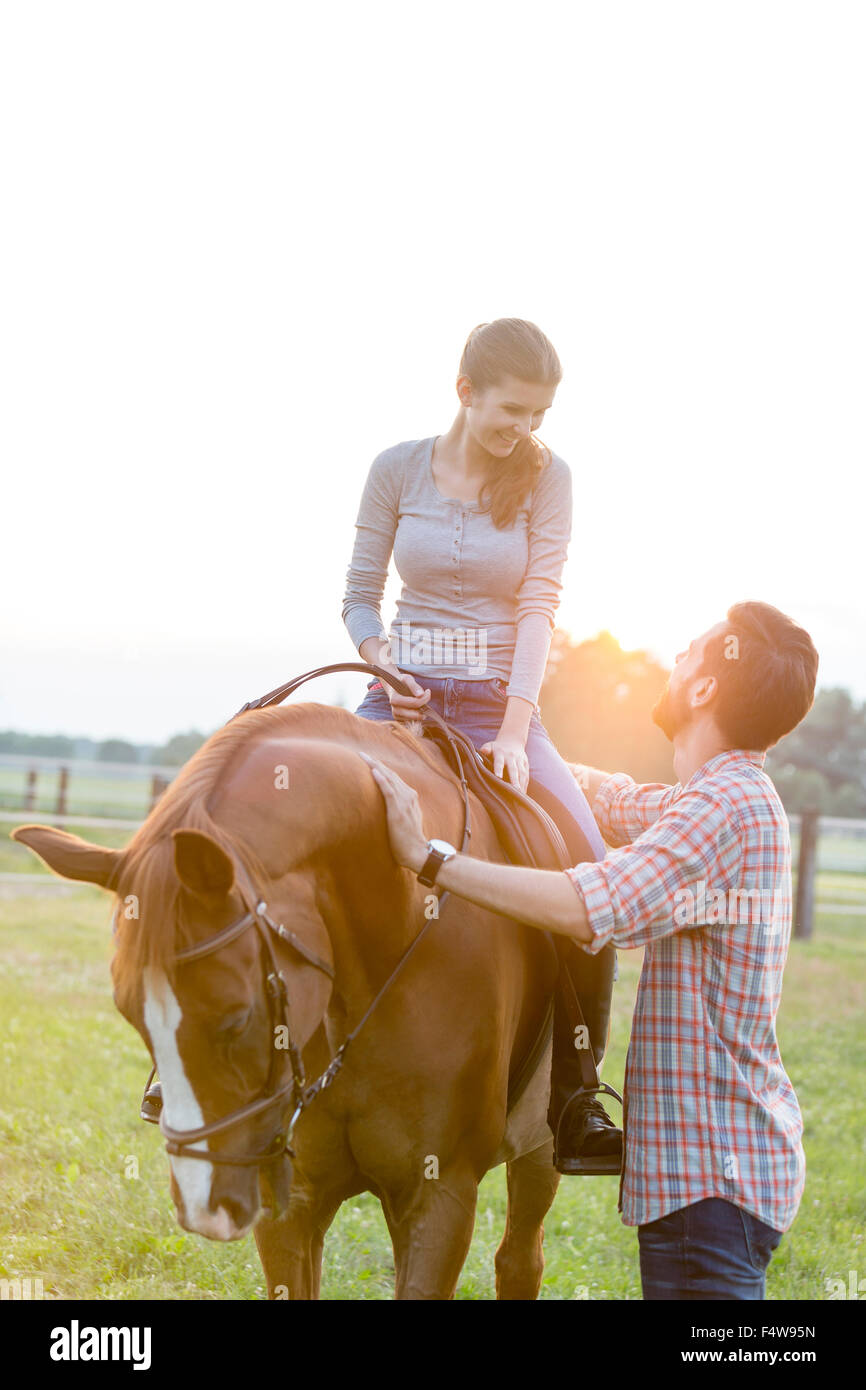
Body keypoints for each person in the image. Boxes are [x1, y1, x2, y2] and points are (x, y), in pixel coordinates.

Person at [360, 601, 818, 1300]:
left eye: (688, 652)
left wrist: (431, 860)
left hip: (714, 1188)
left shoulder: (723, 809)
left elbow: (588, 907)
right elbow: (615, 799)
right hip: (716, 1181)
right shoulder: (720, 796)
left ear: (703, 689)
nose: (677, 661)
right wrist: (488, 744)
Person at [341, 317, 621, 1171]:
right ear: (465, 391)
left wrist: (510, 726)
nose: (526, 431)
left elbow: (540, 604)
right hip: (401, 703)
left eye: (539, 415)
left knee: (591, 871)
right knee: (303, 832)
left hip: (504, 708)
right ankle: (247, 1054)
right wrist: (385, 666)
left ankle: (575, 1094)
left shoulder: (548, 477)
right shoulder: (395, 468)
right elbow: (359, 598)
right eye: (513, 411)